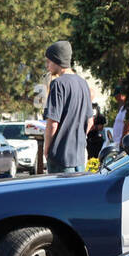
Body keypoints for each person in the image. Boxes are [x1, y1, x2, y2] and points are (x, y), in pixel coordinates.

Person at [42, 40, 92, 174]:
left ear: (57, 60)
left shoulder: (58, 84)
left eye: (49, 61)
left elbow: (52, 123)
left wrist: (47, 149)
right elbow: (90, 121)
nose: (47, 66)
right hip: (79, 156)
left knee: (58, 195)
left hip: (60, 157)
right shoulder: (83, 83)